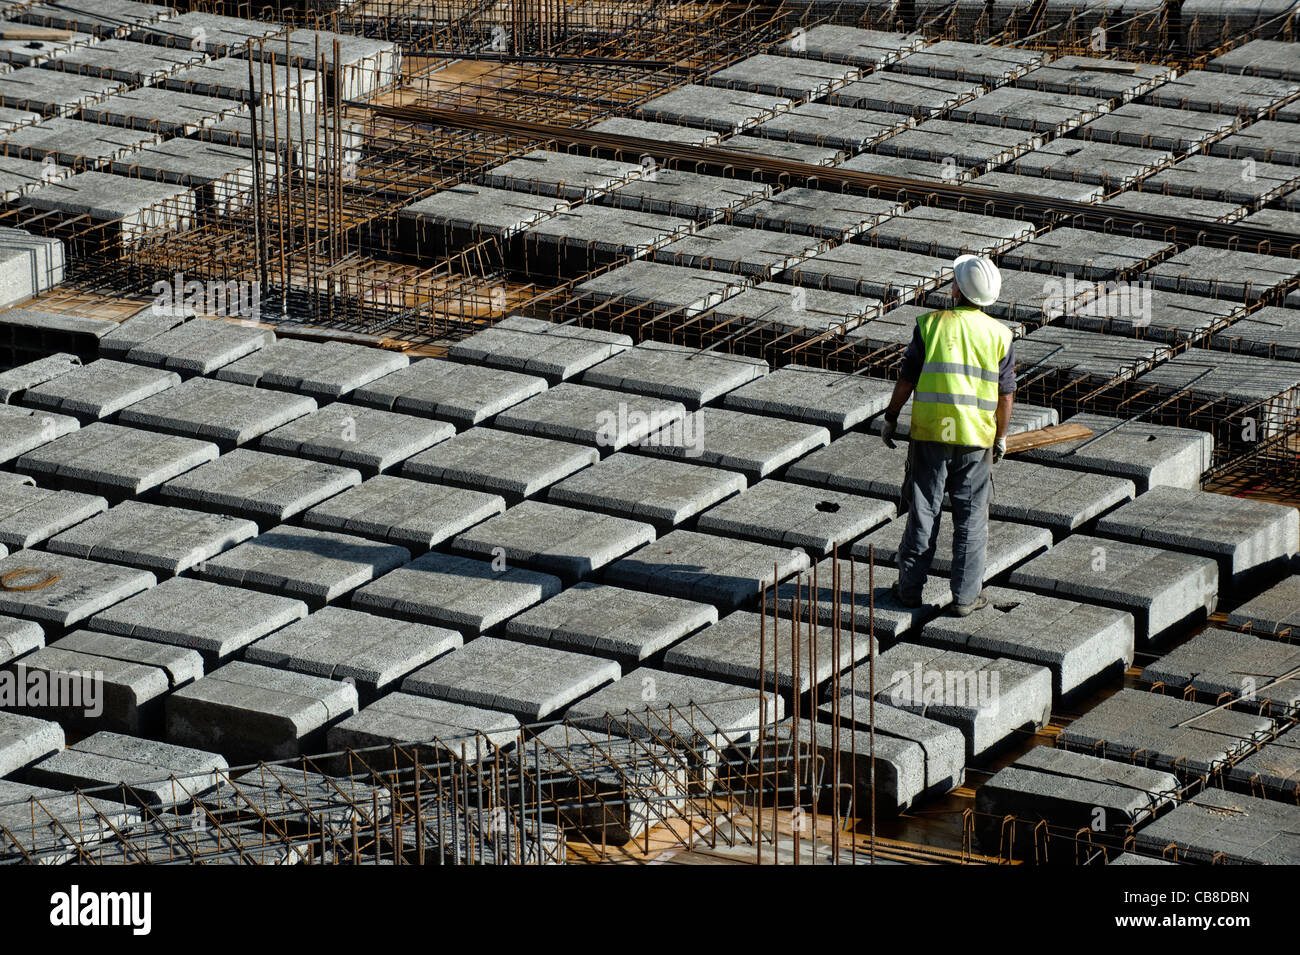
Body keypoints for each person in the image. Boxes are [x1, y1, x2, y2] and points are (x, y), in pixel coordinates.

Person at [879, 254, 1016, 616]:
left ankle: (909, 591)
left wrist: (891, 417)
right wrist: (1001, 437)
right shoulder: (1000, 336)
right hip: (976, 441)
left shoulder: (930, 326)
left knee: (924, 511)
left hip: (931, 435)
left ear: (957, 290)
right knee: (971, 518)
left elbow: (907, 378)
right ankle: (966, 599)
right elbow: (1006, 395)